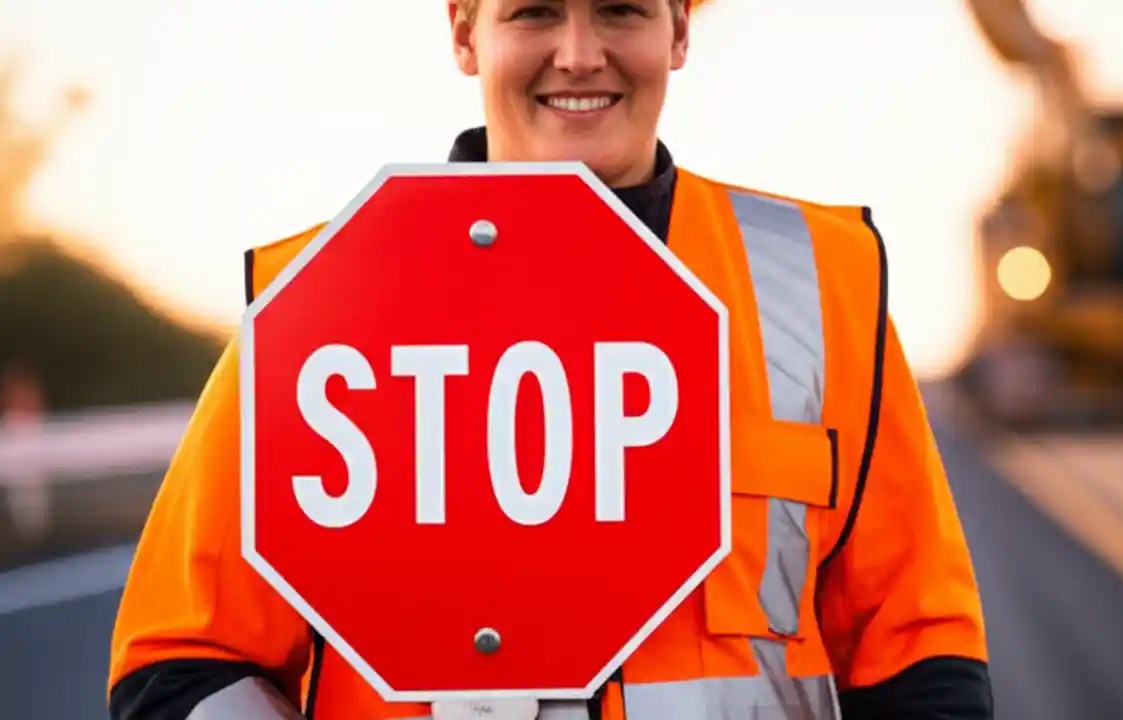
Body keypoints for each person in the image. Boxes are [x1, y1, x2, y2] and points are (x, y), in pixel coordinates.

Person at [108, 1, 992, 718]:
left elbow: (919, 652)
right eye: (535, 13)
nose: (579, 53)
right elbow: (177, 665)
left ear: (680, 29)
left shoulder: (820, 285)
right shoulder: (320, 305)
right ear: (464, 32)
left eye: (620, 12)